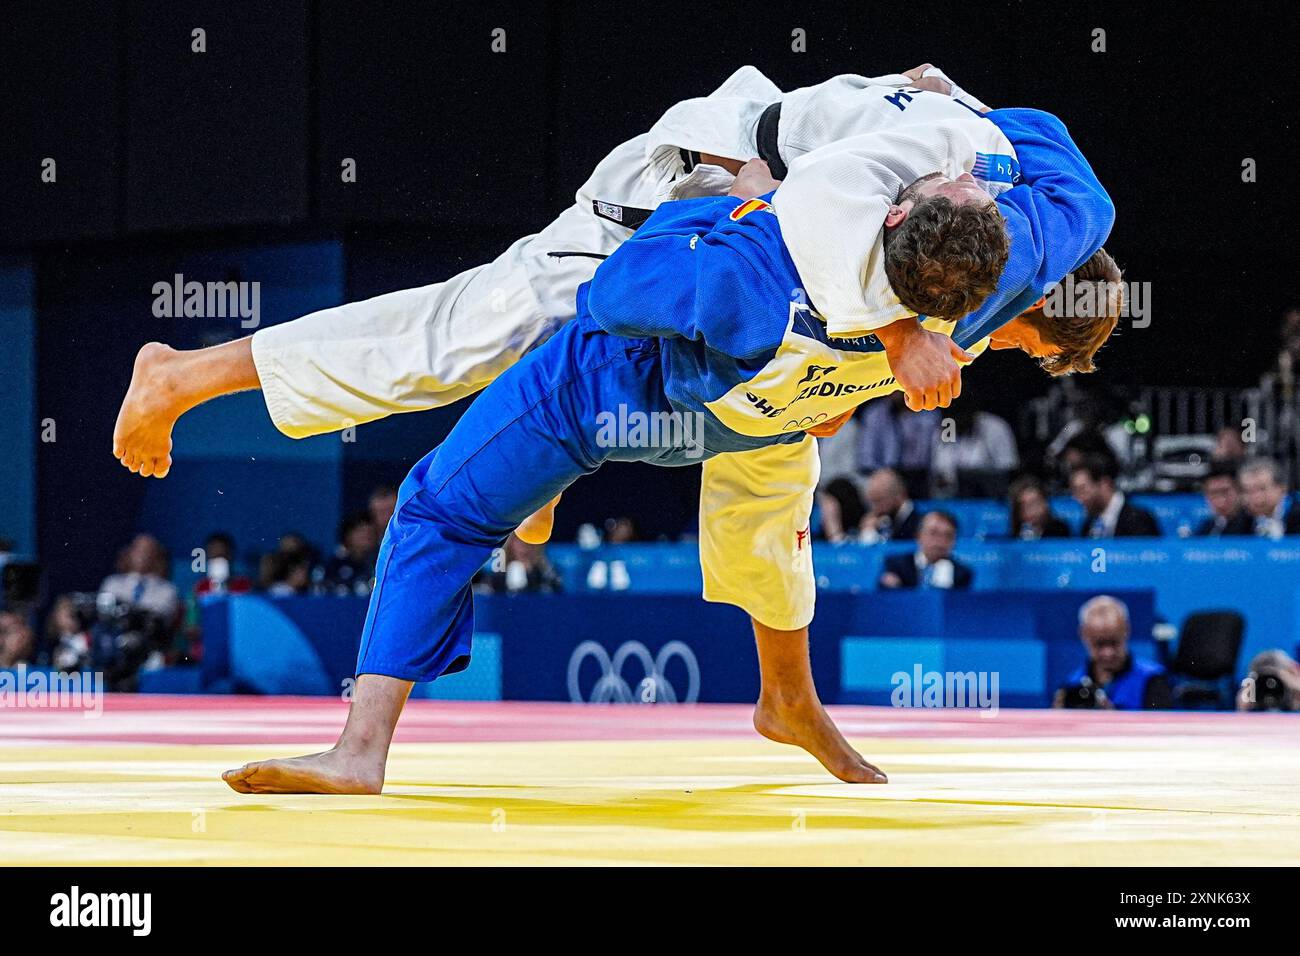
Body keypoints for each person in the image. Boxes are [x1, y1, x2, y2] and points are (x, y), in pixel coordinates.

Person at [221, 99, 1115, 794]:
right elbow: (1068, 177)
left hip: (618, 402)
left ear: (888, 217)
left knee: (440, 508)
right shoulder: (1006, 275)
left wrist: (718, 200)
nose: (963, 180)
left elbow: (614, 295)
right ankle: (787, 697)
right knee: (771, 518)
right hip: (756, 421)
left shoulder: (764, 263)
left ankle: (362, 746)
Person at [115, 64, 1019, 481]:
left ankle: (787, 694)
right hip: (661, 207)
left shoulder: (971, 162)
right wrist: (897, 339)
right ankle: (180, 375)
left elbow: (924, 79)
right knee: (450, 343)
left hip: (716, 237)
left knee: (767, 439)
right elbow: (754, 193)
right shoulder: (862, 185)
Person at [1053, 596, 1170, 709]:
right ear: (1084, 635)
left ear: (1126, 630)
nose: (1108, 653)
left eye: (1114, 642)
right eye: (1099, 644)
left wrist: (1112, 719)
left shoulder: (1153, 680)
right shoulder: (1072, 685)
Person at [1069, 454, 1159, 537]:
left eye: (1082, 490)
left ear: (1104, 484)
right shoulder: (1088, 524)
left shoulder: (1138, 520)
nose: (1078, 498)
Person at [878, 511, 972, 589]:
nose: (940, 541)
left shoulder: (961, 573)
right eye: (933, 533)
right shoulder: (896, 566)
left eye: (948, 536)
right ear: (918, 536)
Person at [1238, 458, 1300, 538]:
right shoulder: (1243, 521)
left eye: (1262, 489)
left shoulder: (1296, 513)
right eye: (1248, 491)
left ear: (1282, 488)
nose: (1256, 497)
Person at [861, 467, 922, 542]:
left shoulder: (919, 522)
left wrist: (869, 532)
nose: (875, 509)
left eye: (879, 501)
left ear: (899, 496)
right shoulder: (886, 521)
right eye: (872, 502)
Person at [1194, 460, 1252, 536]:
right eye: (1213, 493)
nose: (1220, 500)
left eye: (1225, 491)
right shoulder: (1207, 528)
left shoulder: (1252, 526)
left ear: (1238, 491)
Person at [1007, 475, 1071, 539]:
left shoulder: (1059, 530)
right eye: (1024, 506)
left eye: (1035, 503)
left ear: (1045, 503)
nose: (1031, 510)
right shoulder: (1014, 535)